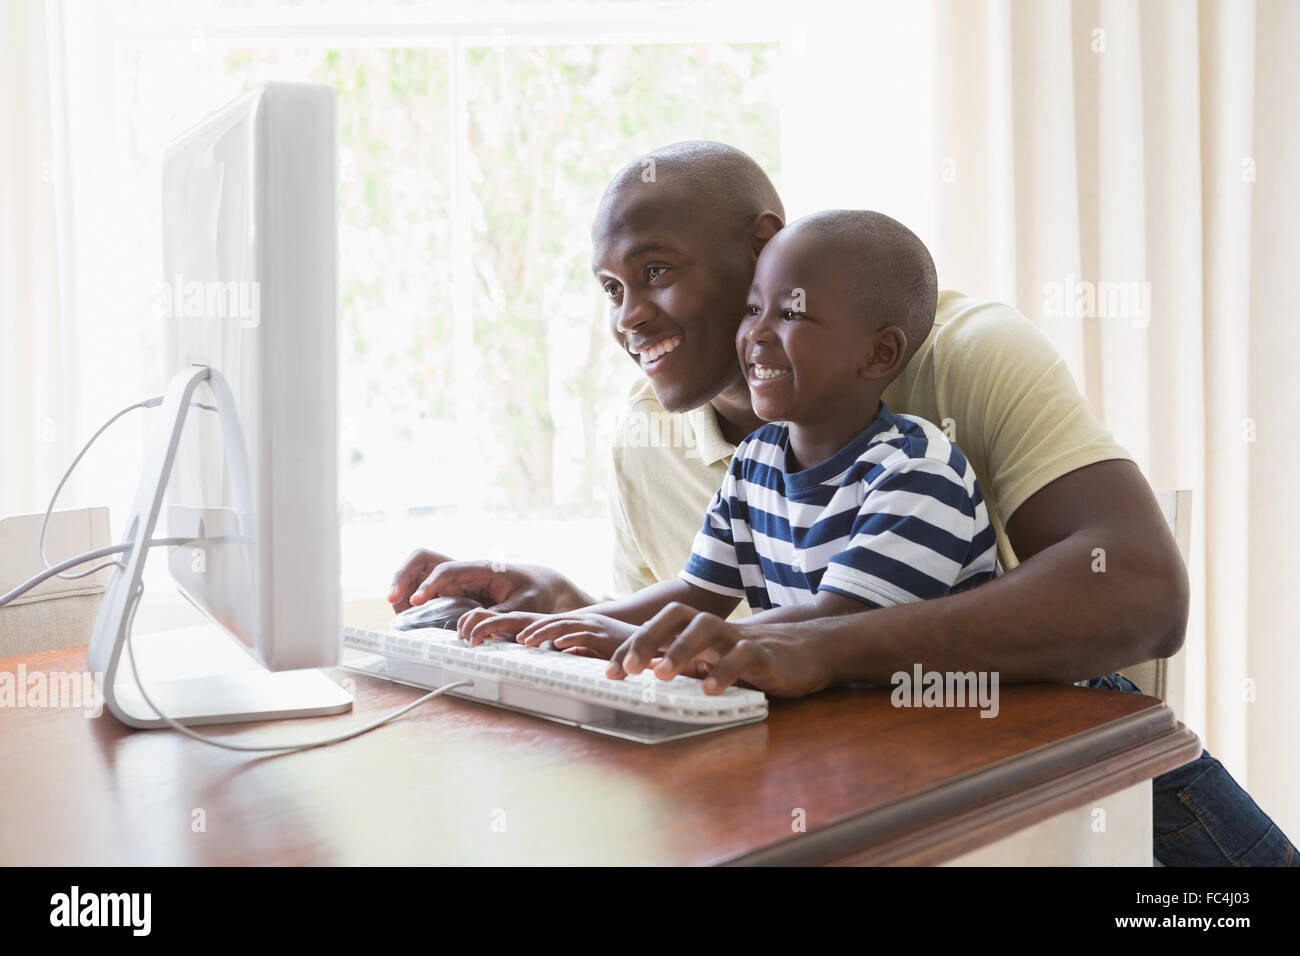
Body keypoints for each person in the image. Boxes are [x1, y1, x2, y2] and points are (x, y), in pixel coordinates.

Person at [388, 141, 1294, 866]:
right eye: (613, 290)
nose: (628, 317)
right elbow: (687, 638)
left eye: (657, 272)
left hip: (1023, 782)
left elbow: (1140, 591)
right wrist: (561, 609)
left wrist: (820, 644)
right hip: (840, 792)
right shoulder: (647, 435)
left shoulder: (955, 364)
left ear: (760, 249)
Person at [455, 210, 999, 669]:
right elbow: (697, 594)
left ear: (878, 354)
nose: (756, 334)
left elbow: (837, 622)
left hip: (947, 733)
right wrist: (556, 627)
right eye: (752, 309)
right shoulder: (756, 462)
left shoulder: (917, 476)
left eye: (790, 313)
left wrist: (644, 645)